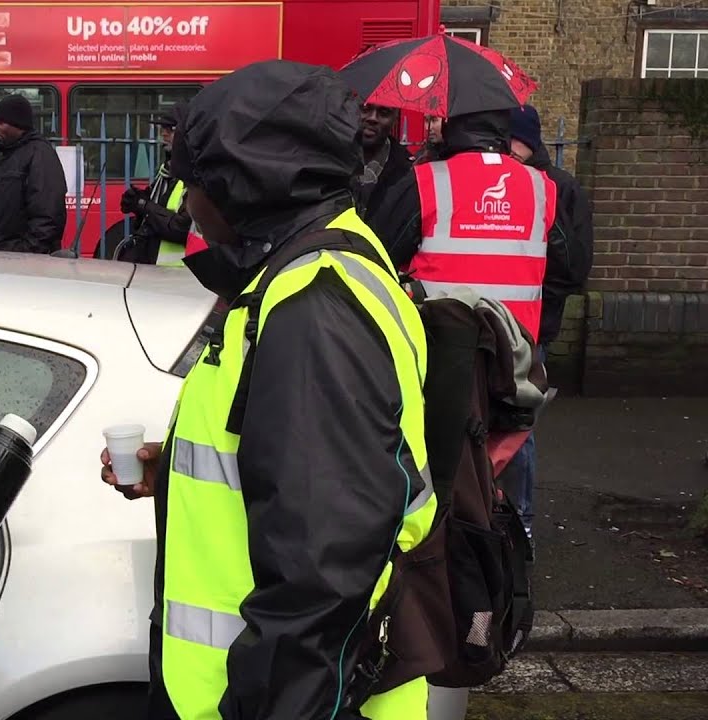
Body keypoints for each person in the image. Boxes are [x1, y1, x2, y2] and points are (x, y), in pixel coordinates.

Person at [99, 60, 436, 720]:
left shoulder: (313, 305)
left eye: (192, 182)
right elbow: (300, 470)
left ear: (240, 185)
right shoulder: (307, 273)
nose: (187, 203)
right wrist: (173, 471)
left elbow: (323, 572)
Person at [368, 108, 564, 346]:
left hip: (437, 343)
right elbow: (569, 266)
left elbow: (377, 254)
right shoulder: (540, 186)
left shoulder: (425, 180)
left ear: (453, 126)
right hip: (515, 348)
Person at [502, 103, 594, 555]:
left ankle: (521, 527)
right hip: (490, 326)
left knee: (518, 432)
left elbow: (573, 268)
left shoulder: (559, 188)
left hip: (528, 328)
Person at [0, 94, 67, 254]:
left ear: (18, 124)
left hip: (23, 258)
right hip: (2, 254)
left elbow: (48, 214)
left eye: (1, 122)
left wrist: (27, 250)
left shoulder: (39, 154)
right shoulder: (7, 156)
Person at [112, 103, 193, 265]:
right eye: (162, 128)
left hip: (178, 273)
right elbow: (155, 216)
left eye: (170, 129)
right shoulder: (166, 171)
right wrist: (137, 203)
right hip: (153, 265)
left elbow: (182, 228)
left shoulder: (193, 175)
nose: (163, 134)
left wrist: (145, 205)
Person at [353, 103, 413, 218]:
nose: (373, 118)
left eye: (384, 112)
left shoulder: (408, 172)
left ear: (395, 119)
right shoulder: (329, 160)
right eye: (365, 109)